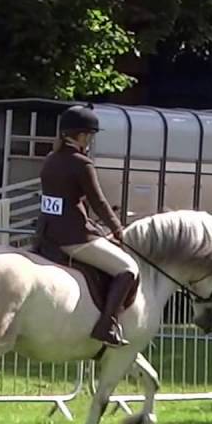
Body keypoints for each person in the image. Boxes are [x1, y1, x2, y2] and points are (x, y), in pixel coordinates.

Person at [36, 104, 140, 347]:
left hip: (46, 233)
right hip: (73, 237)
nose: (90, 140)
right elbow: (99, 201)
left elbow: (60, 201)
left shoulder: (51, 160)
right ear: (81, 135)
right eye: (90, 135)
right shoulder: (82, 163)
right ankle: (105, 326)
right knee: (128, 269)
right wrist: (117, 228)